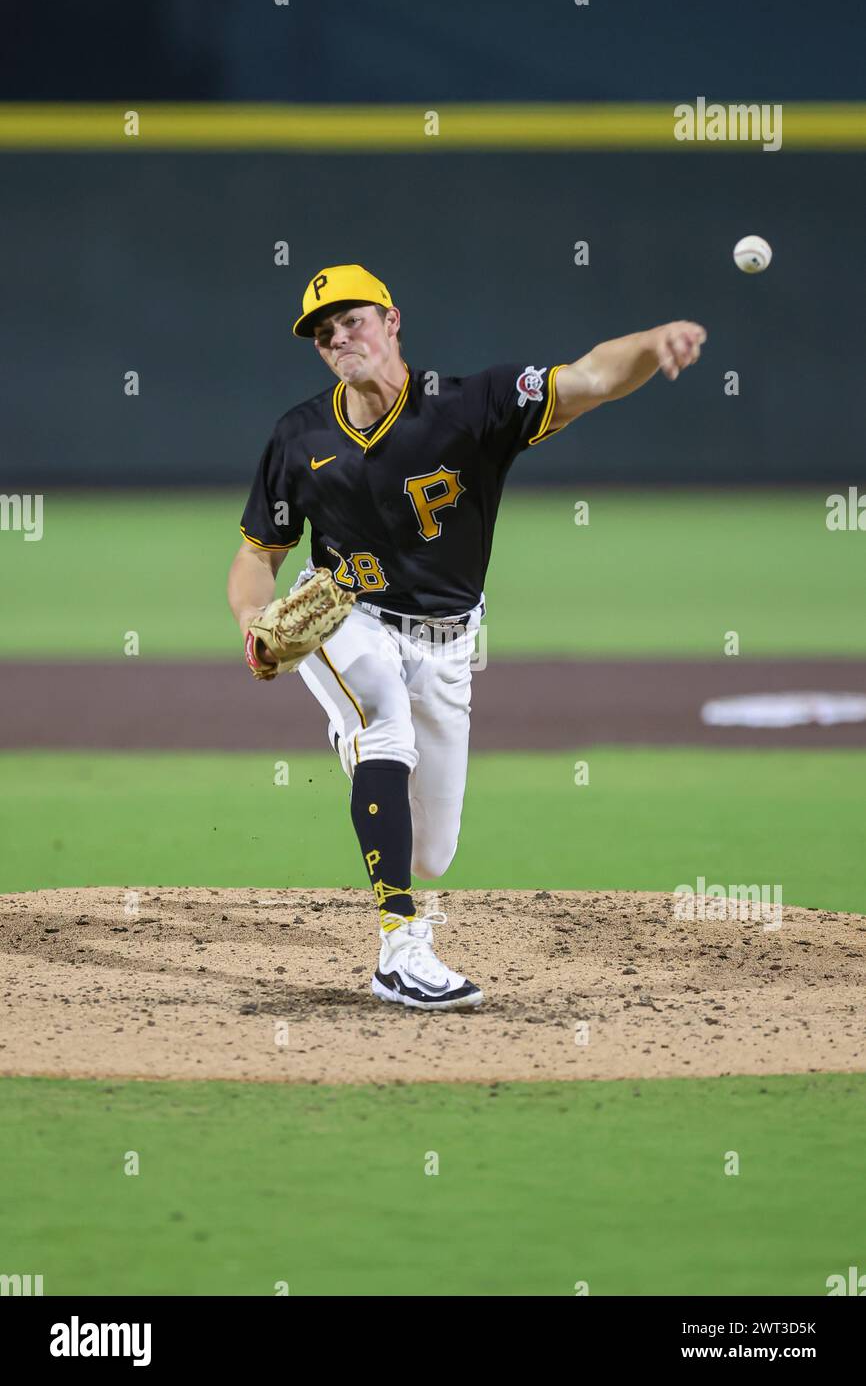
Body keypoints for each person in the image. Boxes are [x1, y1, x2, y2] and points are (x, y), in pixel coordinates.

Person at [228, 263, 706, 1010]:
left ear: (392, 321)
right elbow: (258, 555)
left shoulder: (473, 405)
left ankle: (385, 808)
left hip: (450, 643)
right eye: (324, 332)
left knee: (433, 849)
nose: (338, 337)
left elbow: (590, 379)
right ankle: (401, 950)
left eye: (352, 319)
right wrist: (255, 623)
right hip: (344, 615)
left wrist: (653, 341)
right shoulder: (300, 436)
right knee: (381, 719)